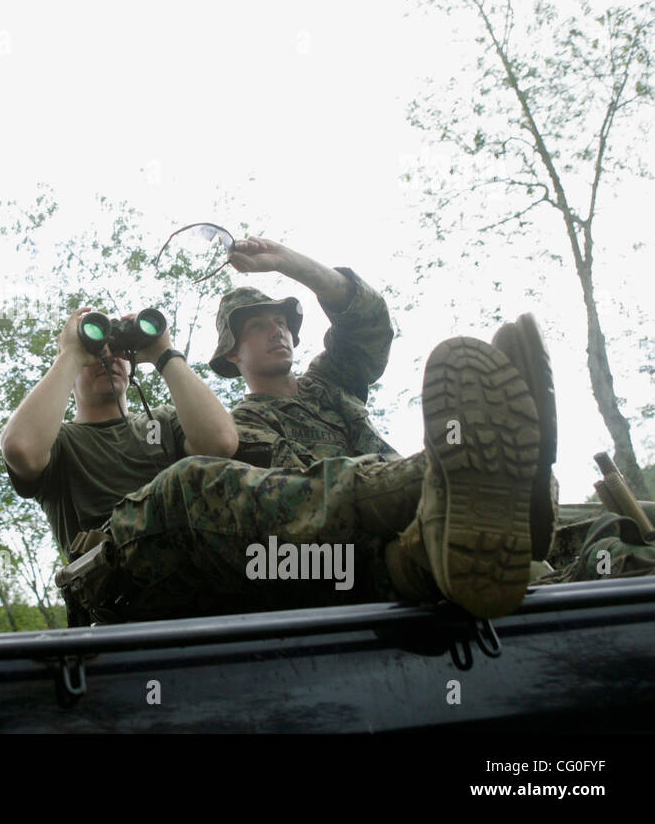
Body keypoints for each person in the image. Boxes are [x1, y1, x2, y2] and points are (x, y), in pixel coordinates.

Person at [43, 237, 564, 623]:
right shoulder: (236, 431)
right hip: (348, 564)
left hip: (455, 533)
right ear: (230, 352)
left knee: (593, 540)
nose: (278, 330)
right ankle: (452, 476)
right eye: (257, 325)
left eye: (284, 322)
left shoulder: (332, 385)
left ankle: (521, 499)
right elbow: (289, 537)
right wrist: (160, 353)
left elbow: (368, 324)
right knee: (301, 543)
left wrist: (286, 262)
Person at [0, 307, 239, 560]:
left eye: (117, 351)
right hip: (116, 586)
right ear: (68, 372)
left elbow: (220, 442)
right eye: (95, 351)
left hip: (193, 574)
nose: (109, 358)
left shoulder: (162, 422)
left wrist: (163, 353)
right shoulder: (58, 442)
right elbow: (20, 448)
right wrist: (71, 353)